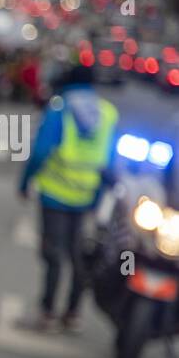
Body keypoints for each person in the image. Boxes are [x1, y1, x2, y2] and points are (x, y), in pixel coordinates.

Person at [18, 64, 118, 331]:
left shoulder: (61, 109)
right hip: (86, 196)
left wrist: (25, 181)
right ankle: (73, 313)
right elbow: (109, 160)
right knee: (79, 256)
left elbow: (41, 151)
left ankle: (47, 311)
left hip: (54, 194)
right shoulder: (107, 113)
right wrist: (99, 196)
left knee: (53, 255)